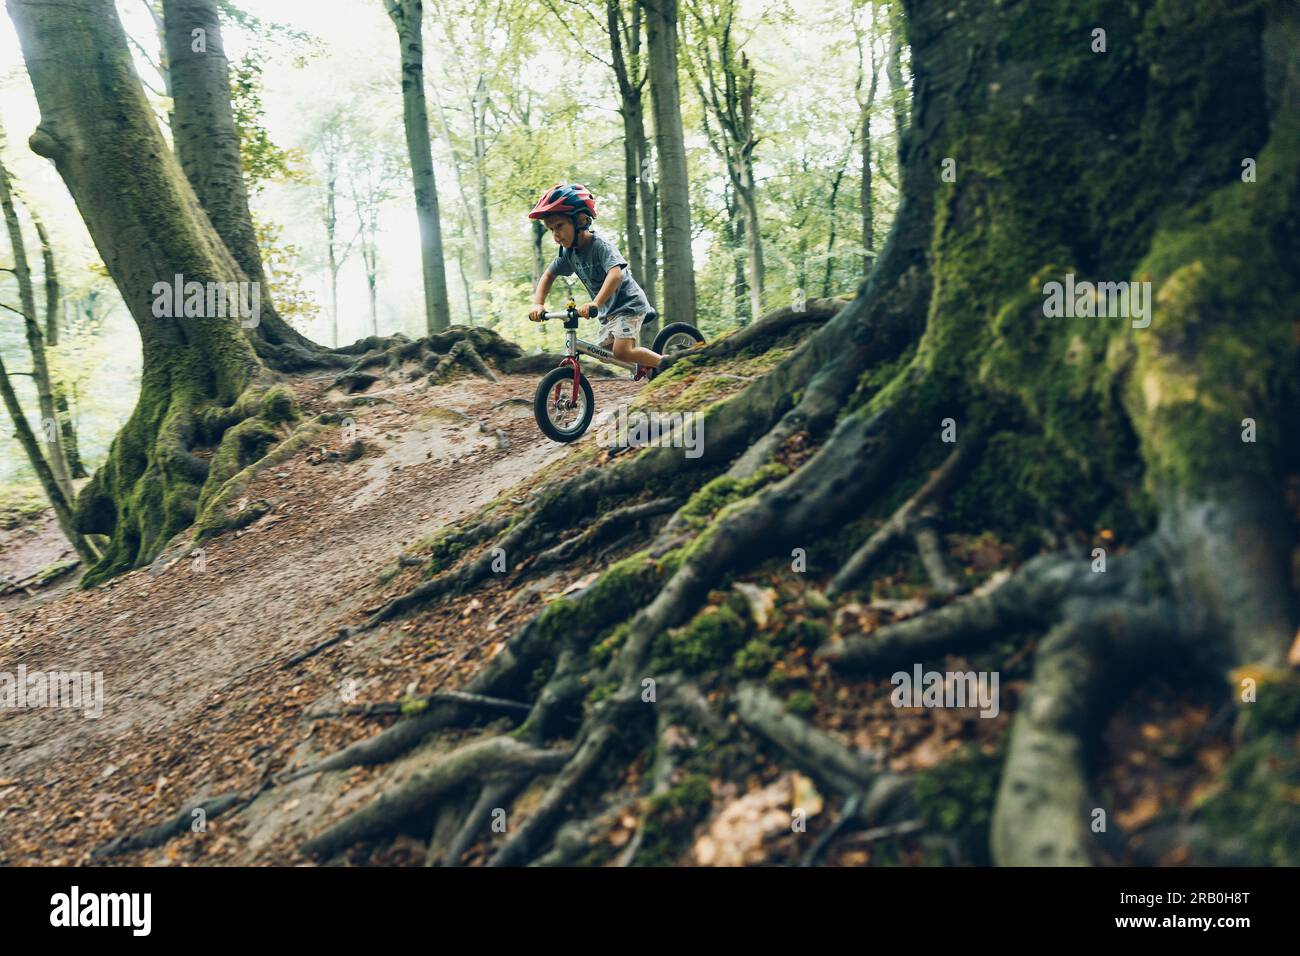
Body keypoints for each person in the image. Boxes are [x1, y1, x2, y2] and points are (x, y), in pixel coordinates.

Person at [526, 183, 661, 380]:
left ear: (581, 220)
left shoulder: (600, 246)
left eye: (559, 226)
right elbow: (548, 275)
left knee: (622, 351)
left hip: (628, 304)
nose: (555, 234)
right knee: (605, 352)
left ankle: (668, 362)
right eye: (551, 229)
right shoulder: (569, 254)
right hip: (609, 311)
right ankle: (646, 366)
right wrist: (538, 304)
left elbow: (615, 275)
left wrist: (595, 303)